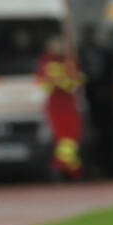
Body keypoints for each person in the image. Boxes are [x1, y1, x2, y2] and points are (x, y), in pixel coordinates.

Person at [36, 33, 85, 180]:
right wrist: (65, 81)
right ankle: (65, 168)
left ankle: (67, 168)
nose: (61, 47)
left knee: (72, 137)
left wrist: (69, 79)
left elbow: (77, 82)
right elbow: (47, 84)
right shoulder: (47, 62)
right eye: (58, 45)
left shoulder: (68, 61)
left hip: (70, 105)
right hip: (57, 106)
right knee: (65, 139)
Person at [78, 24, 113, 177]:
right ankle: (96, 165)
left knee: (108, 132)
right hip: (91, 99)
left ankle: (109, 164)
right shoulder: (81, 53)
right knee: (93, 134)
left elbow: (112, 73)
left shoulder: (100, 53)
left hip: (104, 99)